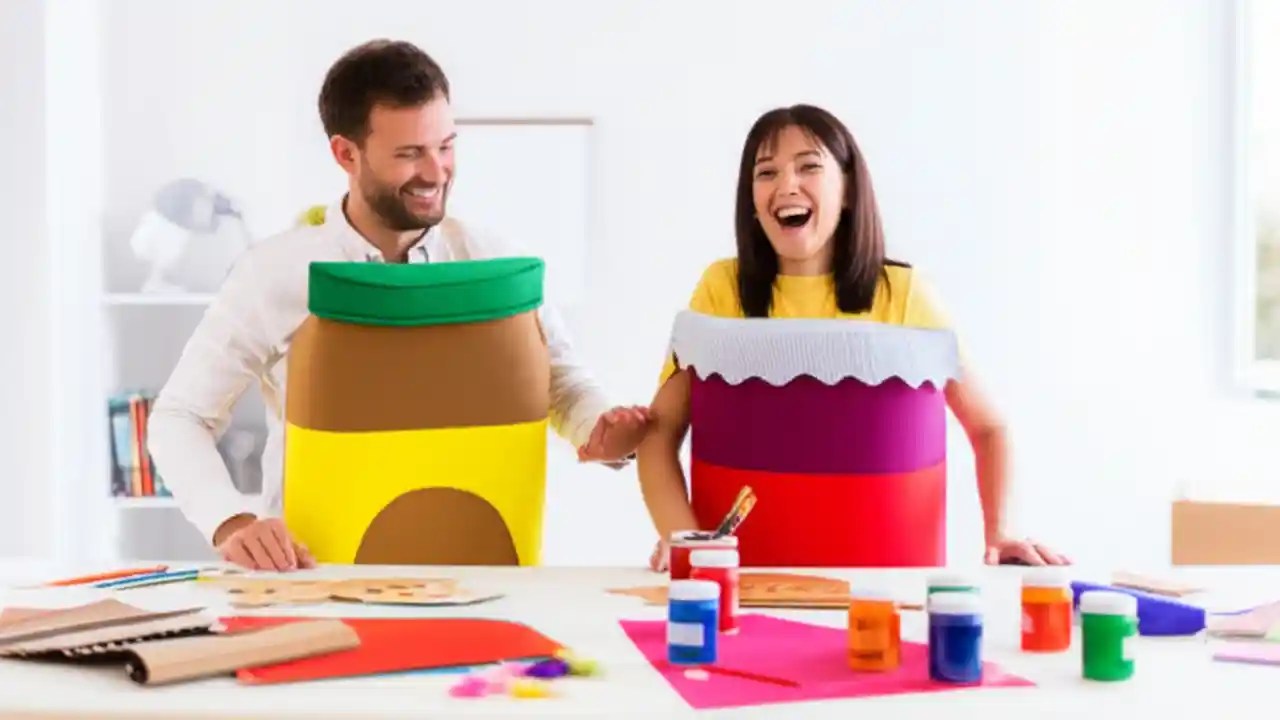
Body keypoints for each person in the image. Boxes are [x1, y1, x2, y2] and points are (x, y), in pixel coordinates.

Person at [148, 39, 650, 572]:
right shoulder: (274, 274)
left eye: (446, 146)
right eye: (410, 154)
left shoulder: (492, 258)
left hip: (483, 576)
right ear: (346, 154)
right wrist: (231, 520)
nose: (435, 172)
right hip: (317, 576)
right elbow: (179, 416)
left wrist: (603, 429)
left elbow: (561, 382)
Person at [635, 104, 1068, 571]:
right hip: (746, 584)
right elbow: (658, 435)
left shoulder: (901, 293)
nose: (786, 185)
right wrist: (686, 541)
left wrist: (1001, 534)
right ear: (752, 201)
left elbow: (988, 427)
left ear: (847, 190)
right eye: (766, 172)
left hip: (887, 589)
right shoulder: (722, 289)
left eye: (809, 166)